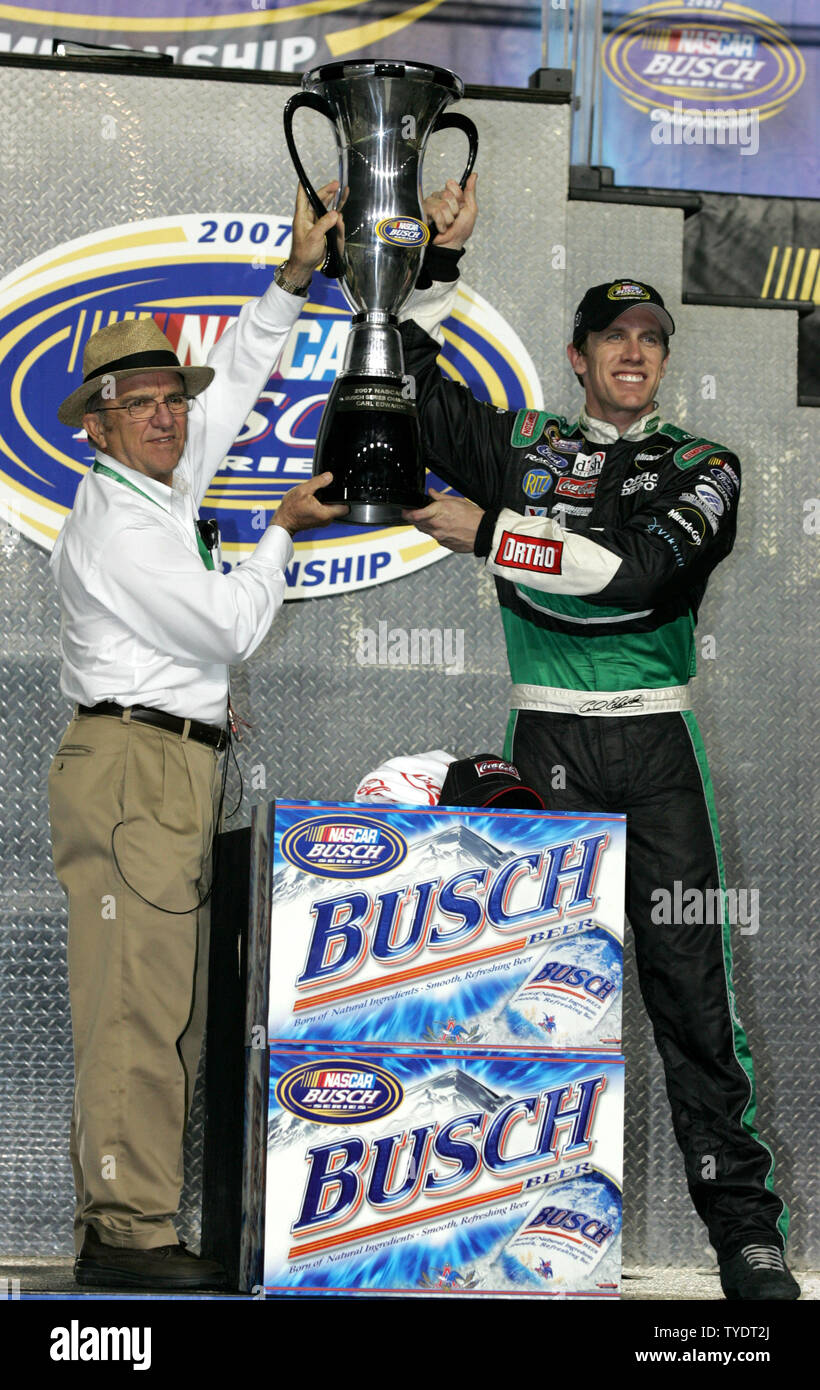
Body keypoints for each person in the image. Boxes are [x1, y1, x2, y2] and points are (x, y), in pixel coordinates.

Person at [400, 176, 800, 1301]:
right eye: (613, 337)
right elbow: (422, 398)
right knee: (532, 994)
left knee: (694, 997)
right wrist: (435, 264)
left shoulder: (705, 467)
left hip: (658, 757)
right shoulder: (526, 444)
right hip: (550, 749)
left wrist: (494, 535)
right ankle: (520, 1234)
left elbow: (636, 581)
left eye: (650, 339)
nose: (634, 352)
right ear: (575, 356)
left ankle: (745, 1238)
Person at [48, 183, 348, 1290]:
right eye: (144, 403)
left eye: (175, 397)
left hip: (158, 766)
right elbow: (228, 620)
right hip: (136, 771)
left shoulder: (156, 491)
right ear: (101, 422)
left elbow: (239, 393)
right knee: (136, 1004)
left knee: (159, 1003)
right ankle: (126, 1240)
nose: (171, 416)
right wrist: (276, 533)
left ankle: (128, 1226)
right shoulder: (123, 529)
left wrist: (291, 278)